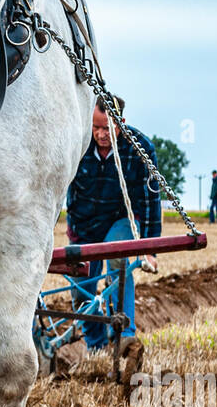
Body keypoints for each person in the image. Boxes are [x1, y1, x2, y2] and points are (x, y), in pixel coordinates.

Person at [66, 95, 162, 357]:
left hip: (121, 218)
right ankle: (96, 346)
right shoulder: (77, 141)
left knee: (117, 261)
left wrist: (150, 249)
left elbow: (150, 199)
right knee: (82, 287)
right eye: (95, 127)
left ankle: (124, 336)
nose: (100, 134)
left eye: (106, 128)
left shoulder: (140, 148)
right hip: (84, 223)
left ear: (120, 123)